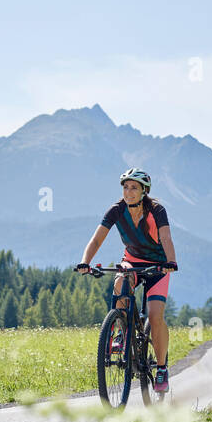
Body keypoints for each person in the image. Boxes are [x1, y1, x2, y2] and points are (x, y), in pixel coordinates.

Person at [74, 168, 178, 393]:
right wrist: (85, 261)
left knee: (155, 315)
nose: (128, 192)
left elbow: (166, 237)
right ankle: (119, 331)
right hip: (132, 261)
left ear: (144, 191)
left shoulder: (157, 210)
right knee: (120, 283)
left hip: (158, 266)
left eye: (134, 188)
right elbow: (97, 239)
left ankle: (161, 369)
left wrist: (171, 261)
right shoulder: (116, 210)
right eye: (125, 187)